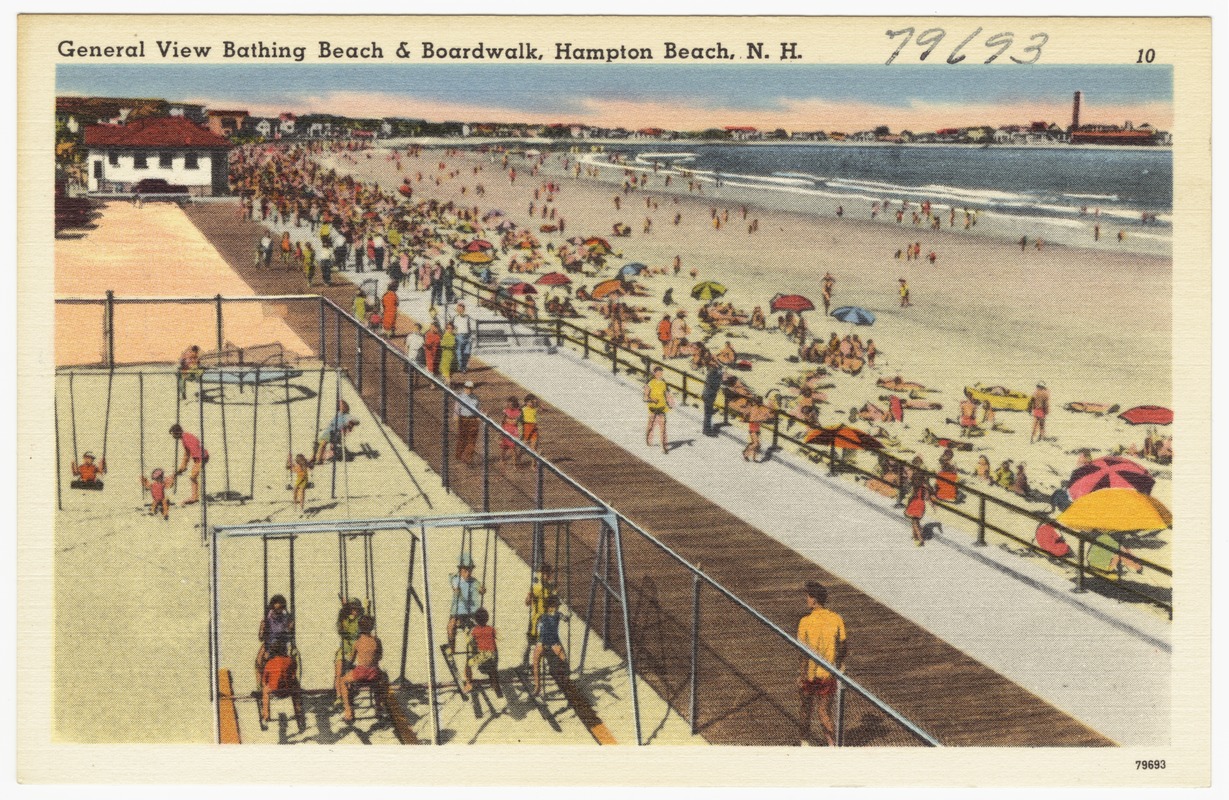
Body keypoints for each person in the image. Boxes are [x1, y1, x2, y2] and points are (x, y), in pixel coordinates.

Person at [797, 581, 846, 747]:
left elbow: (803, 653)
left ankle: (804, 741)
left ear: (814, 599)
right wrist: (839, 665)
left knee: (806, 709)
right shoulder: (837, 619)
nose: (806, 600)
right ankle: (833, 745)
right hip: (828, 674)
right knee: (824, 712)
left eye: (808, 597)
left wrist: (801, 675)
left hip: (810, 675)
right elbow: (843, 646)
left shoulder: (804, 622)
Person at [339, 615, 384, 724]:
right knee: (380, 680)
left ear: (359, 627)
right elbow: (380, 657)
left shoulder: (357, 642)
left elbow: (351, 660)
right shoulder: (377, 641)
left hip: (361, 673)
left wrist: (351, 665)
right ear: (372, 627)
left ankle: (348, 711)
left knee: (343, 681)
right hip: (374, 673)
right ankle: (378, 708)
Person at [259, 639, 304, 729]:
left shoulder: (269, 663)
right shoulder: (291, 661)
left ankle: (266, 716)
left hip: (275, 690)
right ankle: (298, 713)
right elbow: (293, 676)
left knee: (265, 690)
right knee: (296, 688)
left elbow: (264, 682)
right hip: (288, 690)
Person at [446, 557, 486, 654]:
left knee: (473, 630)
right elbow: (453, 583)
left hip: (470, 612)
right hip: (457, 611)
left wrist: (482, 590)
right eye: (465, 571)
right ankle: (452, 647)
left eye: (470, 571)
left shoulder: (474, 581)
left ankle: (475, 648)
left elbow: (480, 588)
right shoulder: (456, 579)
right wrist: (456, 590)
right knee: (451, 627)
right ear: (460, 571)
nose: (467, 574)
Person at [255, 593, 295, 684]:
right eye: (275, 610)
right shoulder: (267, 619)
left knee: (294, 657)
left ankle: (294, 682)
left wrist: (290, 629)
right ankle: (259, 685)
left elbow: (289, 637)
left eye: (280, 610)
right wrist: (262, 629)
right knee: (259, 660)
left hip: (281, 644)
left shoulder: (286, 618)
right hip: (269, 644)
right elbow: (261, 638)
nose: (278, 612)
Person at [531, 595, 566, 697]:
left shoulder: (558, 615)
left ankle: (564, 685)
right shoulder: (542, 616)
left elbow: (565, 618)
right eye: (555, 606)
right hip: (542, 642)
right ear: (549, 607)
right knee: (535, 661)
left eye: (557, 607)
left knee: (563, 661)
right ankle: (537, 686)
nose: (556, 608)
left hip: (554, 642)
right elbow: (538, 630)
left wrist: (567, 617)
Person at [333, 598, 364, 709]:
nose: (354, 611)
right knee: (339, 671)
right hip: (344, 649)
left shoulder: (360, 621)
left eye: (356, 609)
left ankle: (348, 696)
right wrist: (343, 608)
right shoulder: (344, 619)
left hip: (355, 651)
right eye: (352, 609)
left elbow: (366, 621)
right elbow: (339, 624)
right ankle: (339, 696)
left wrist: (366, 606)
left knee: (350, 675)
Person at [463, 607, 501, 696]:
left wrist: (467, 632)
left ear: (476, 621)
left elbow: (469, 641)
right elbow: (500, 637)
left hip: (484, 655)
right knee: (492, 668)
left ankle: (468, 683)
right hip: (493, 655)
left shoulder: (475, 630)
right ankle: (494, 683)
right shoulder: (491, 629)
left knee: (468, 664)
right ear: (487, 619)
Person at [171, 424, 208, 505]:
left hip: (201, 458)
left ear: (177, 432)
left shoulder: (187, 438)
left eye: (173, 434)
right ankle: (195, 497)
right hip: (198, 458)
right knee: (193, 477)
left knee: (193, 477)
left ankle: (195, 498)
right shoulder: (184, 438)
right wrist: (182, 468)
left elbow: (195, 450)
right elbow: (187, 454)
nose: (173, 436)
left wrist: (199, 461)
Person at [313, 400, 359, 466]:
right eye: (339, 405)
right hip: (329, 431)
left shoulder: (346, 416)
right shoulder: (339, 413)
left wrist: (350, 423)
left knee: (322, 443)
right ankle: (315, 457)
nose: (340, 407)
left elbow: (357, 421)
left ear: (346, 407)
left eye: (342, 405)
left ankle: (318, 459)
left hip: (334, 433)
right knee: (318, 443)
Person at [525, 562, 556, 647]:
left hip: (546, 622)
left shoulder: (551, 587)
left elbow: (553, 606)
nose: (549, 577)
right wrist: (529, 597)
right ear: (543, 573)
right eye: (548, 574)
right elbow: (527, 603)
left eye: (550, 574)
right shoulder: (537, 587)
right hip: (538, 622)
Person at [643, 365, 671, 454]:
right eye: (658, 373)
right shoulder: (650, 383)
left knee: (663, 428)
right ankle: (648, 438)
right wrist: (652, 399)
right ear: (654, 374)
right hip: (653, 408)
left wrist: (669, 403)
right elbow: (645, 398)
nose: (660, 375)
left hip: (662, 408)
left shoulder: (663, 383)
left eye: (661, 373)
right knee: (650, 425)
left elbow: (666, 395)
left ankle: (664, 447)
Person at [454, 381, 481, 466]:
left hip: (472, 419)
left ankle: (468, 458)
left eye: (470, 388)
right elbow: (457, 409)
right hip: (463, 419)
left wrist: (478, 418)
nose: (468, 390)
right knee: (462, 438)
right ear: (464, 387)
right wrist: (456, 418)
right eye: (467, 388)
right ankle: (459, 455)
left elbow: (478, 409)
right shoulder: (460, 397)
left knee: (472, 439)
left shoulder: (476, 398)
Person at [904, 469, 933, 547]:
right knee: (915, 522)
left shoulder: (915, 486)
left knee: (914, 522)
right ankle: (915, 536)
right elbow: (927, 498)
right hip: (920, 505)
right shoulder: (924, 487)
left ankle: (920, 539)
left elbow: (910, 495)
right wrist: (932, 505)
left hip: (914, 504)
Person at [701, 356, 724, 437]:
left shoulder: (712, 371)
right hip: (709, 395)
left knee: (708, 413)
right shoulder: (713, 372)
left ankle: (706, 429)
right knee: (708, 414)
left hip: (707, 394)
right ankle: (707, 431)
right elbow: (715, 382)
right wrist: (721, 376)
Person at [499, 396, 522, 466]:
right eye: (508, 404)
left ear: (514, 404)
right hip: (505, 430)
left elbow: (515, 422)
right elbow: (502, 421)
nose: (509, 406)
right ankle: (502, 459)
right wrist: (500, 432)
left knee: (513, 449)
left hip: (513, 432)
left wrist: (508, 420)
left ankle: (515, 464)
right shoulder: (506, 411)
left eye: (511, 404)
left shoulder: (518, 412)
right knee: (504, 448)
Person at [453, 303, 475, 373]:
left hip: (467, 336)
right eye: (458, 309)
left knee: (467, 353)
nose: (460, 310)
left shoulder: (467, 317)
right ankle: (460, 366)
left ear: (464, 309)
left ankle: (464, 367)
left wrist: (471, 336)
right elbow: (453, 328)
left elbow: (469, 327)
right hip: (459, 336)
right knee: (459, 352)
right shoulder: (455, 317)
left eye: (461, 309)